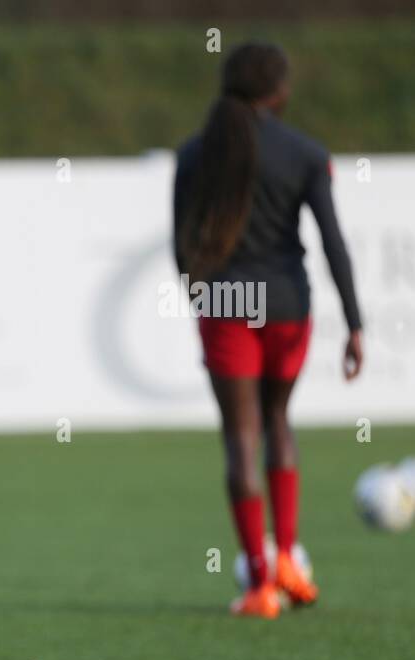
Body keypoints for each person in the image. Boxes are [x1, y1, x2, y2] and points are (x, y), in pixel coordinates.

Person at [173, 41, 363, 619]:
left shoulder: (195, 153)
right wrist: (354, 323)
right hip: (287, 304)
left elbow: (182, 244)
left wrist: (200, 294)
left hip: (227, 304)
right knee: (279, 421)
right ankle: (287, 558)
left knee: (241, 438)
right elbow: (332, 242)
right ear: (278, 92)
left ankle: (259, 585)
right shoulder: (305, 153)